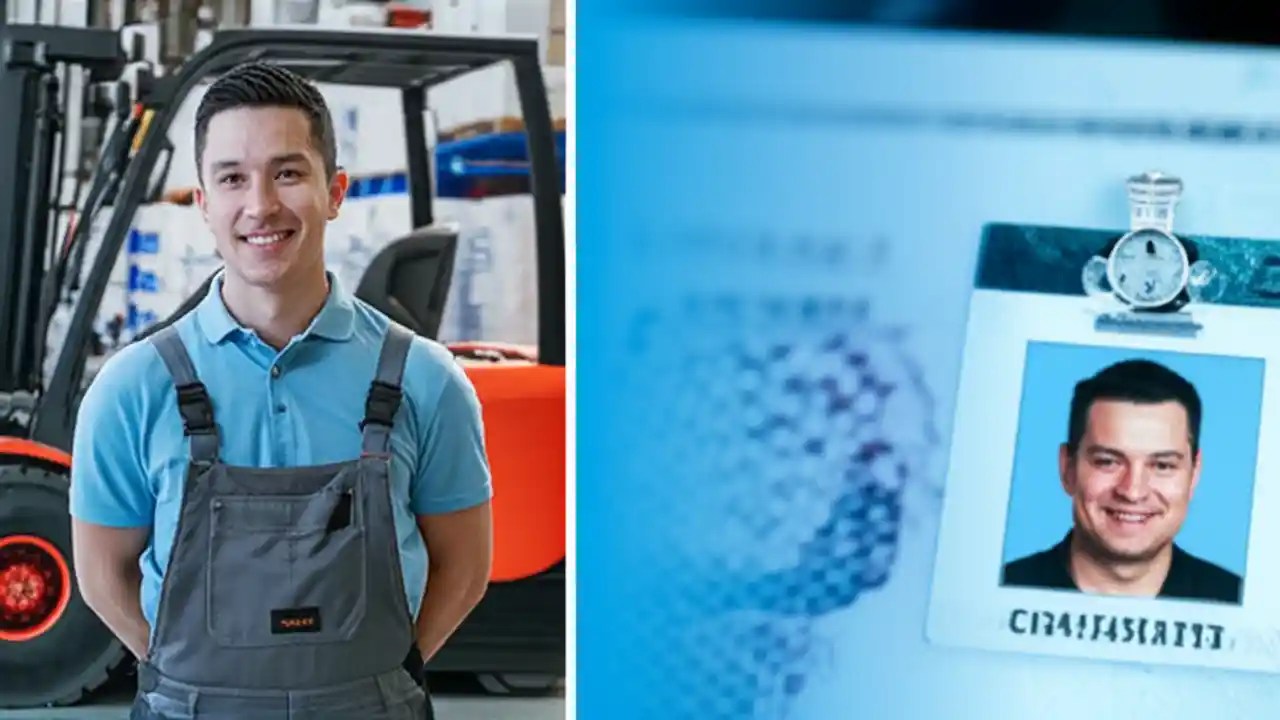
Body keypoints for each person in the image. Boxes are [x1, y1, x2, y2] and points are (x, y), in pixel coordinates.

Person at [68, 61, 494, 719]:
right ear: (203, 202)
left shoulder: (426, 381)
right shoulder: (131, 389)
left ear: (336, 191)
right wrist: (189, 681)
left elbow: (464, 567)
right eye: (232, 178)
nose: (260, 204)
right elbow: (100, 574)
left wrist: (378, 680)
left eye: (288, 173)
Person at [1001, 358, 1241, 604]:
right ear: (1067, 468)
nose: (1132, 492)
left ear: (1194, 474)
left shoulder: (1244, 608)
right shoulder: (996, 595)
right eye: (1108, 462)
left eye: (1162, 465)